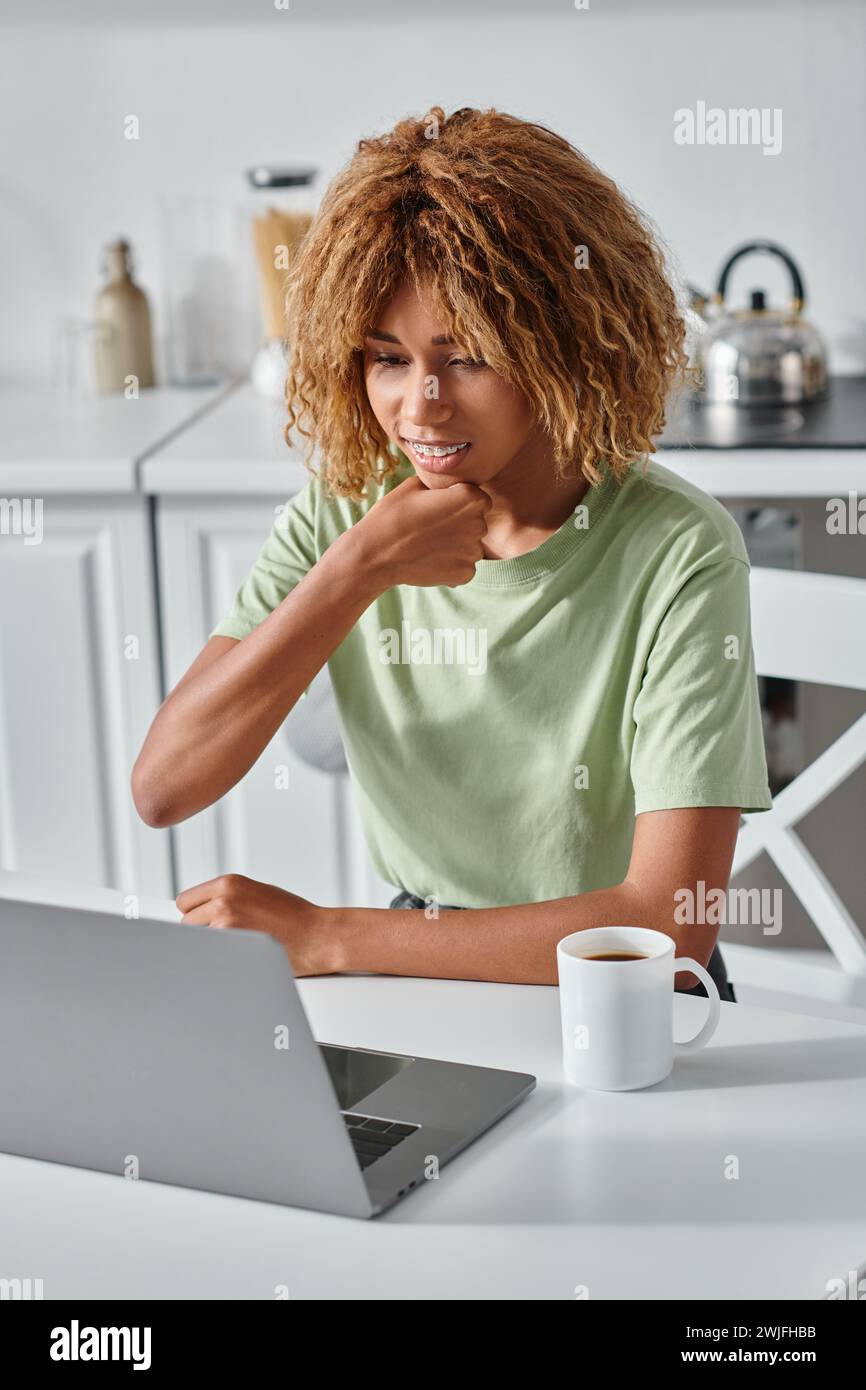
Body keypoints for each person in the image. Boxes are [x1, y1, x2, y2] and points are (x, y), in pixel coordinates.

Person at [132, 106, 773, 997]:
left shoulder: (677, 551)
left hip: (623, 992)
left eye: (466, 357)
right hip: (413, 970)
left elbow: (669, 923)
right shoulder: (349, 513)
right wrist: (358, 570)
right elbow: (165, 788)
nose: (421, 406)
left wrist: (326, 935)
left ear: (566, 345)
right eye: (387, 358)